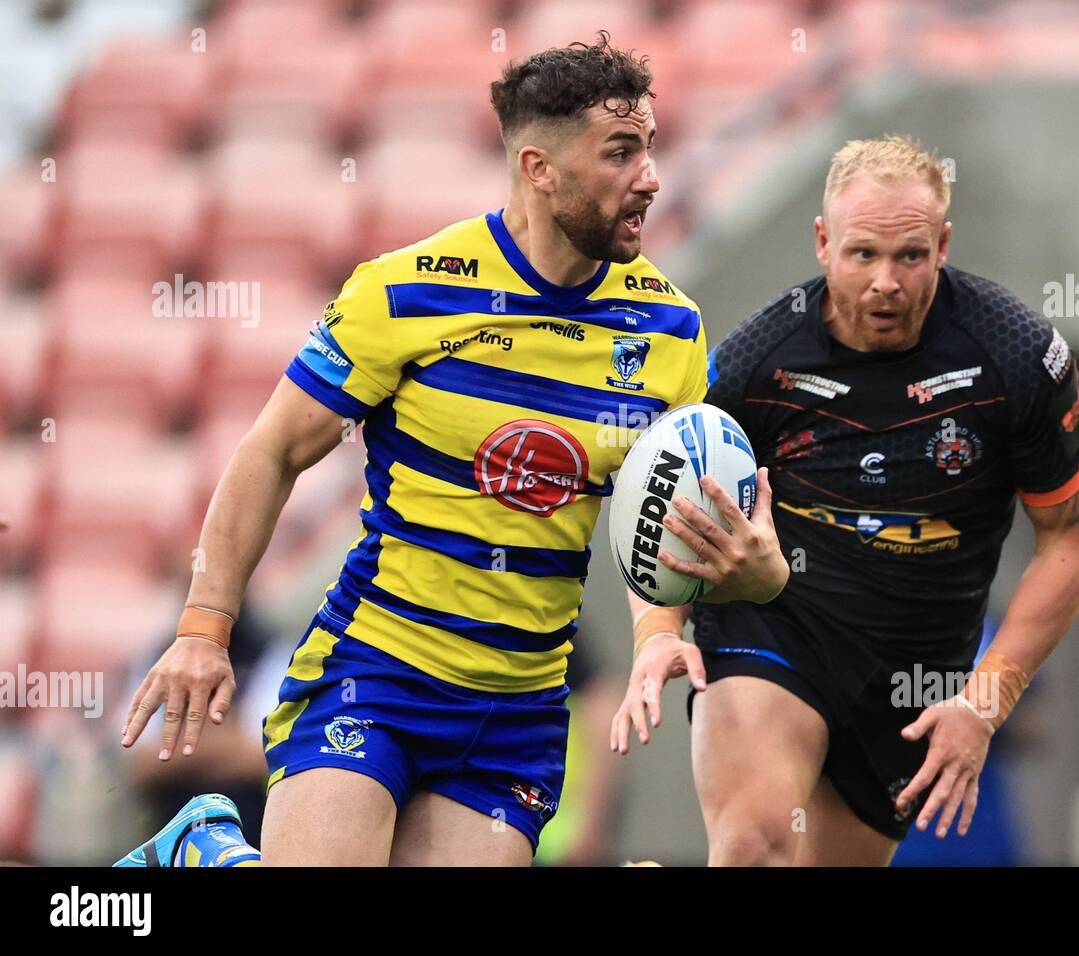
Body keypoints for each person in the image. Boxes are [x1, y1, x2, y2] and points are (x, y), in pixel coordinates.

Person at [116, 34, 781, 868]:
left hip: (517, 708)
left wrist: (656, 634)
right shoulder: (406, 290)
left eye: (650, 148)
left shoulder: (670, 328)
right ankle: (206, 848)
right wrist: (204, 630)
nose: (650, 175)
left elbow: (661, 520)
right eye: (621, 153)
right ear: (539, 167)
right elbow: (273, 450)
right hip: (377, 670)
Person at [611, 136, 1079, 866]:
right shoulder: (758, 359)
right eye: (861, 255)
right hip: (775, 622)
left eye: (909, 256)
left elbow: (1072, 543)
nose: (886, 283)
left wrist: (986, 700)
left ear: (942, 244)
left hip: (913, 669)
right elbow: (663, 494)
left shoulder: (1016, 356)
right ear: (821, 242)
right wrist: (657, 632)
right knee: (753, 846)